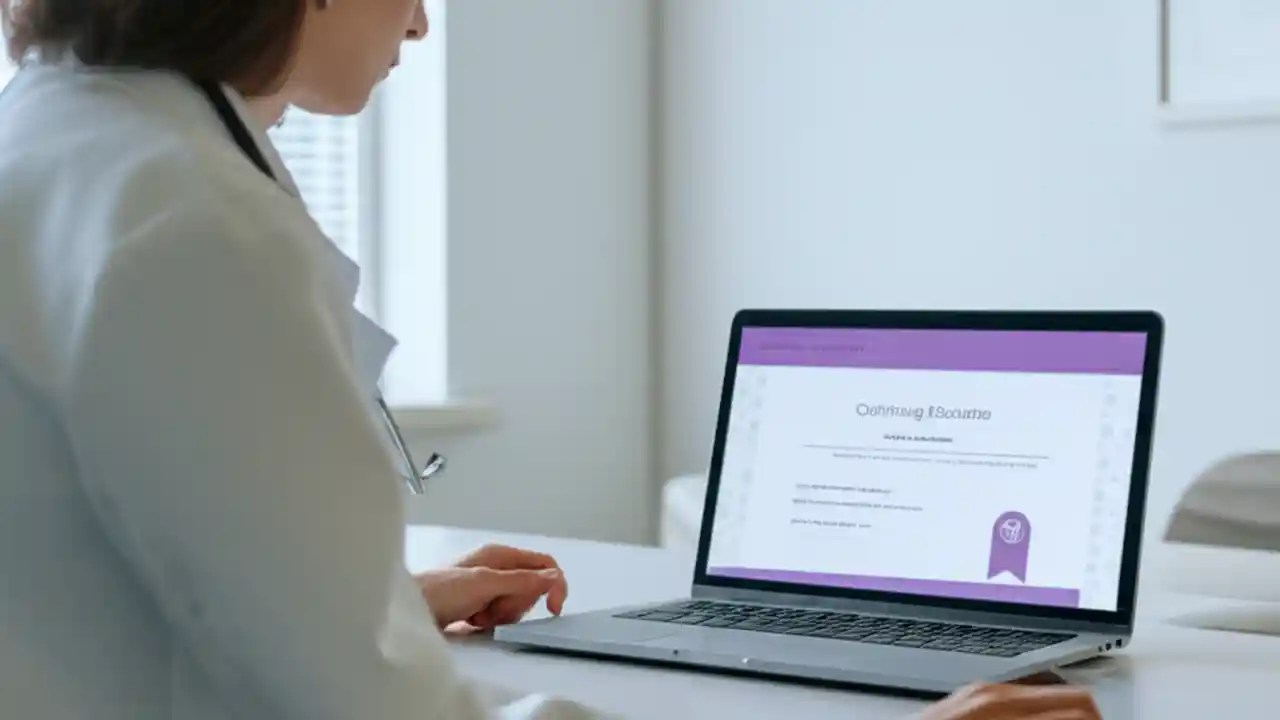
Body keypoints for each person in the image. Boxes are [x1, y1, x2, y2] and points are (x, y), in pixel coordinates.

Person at [0, 1, 1103, 718]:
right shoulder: (191, 222)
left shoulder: (58, 152)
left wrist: (370, 601)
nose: (421, 21)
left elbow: (90, 578)